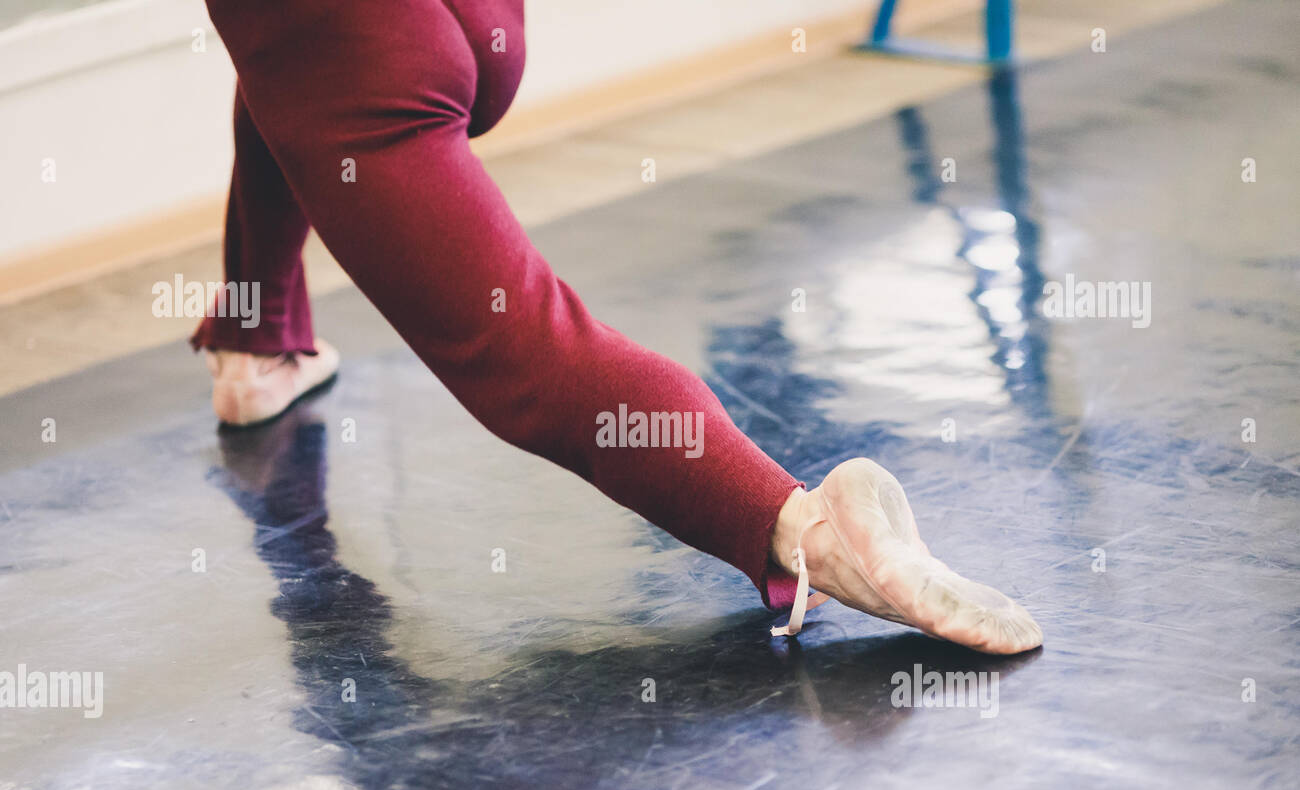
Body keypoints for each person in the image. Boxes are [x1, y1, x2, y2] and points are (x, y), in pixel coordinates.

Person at [190, 0, 1042, 655]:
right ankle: (254, 343)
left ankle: (804, 527)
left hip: (356, 41)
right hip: (471, 27)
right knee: (290, 61)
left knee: (526, 344)